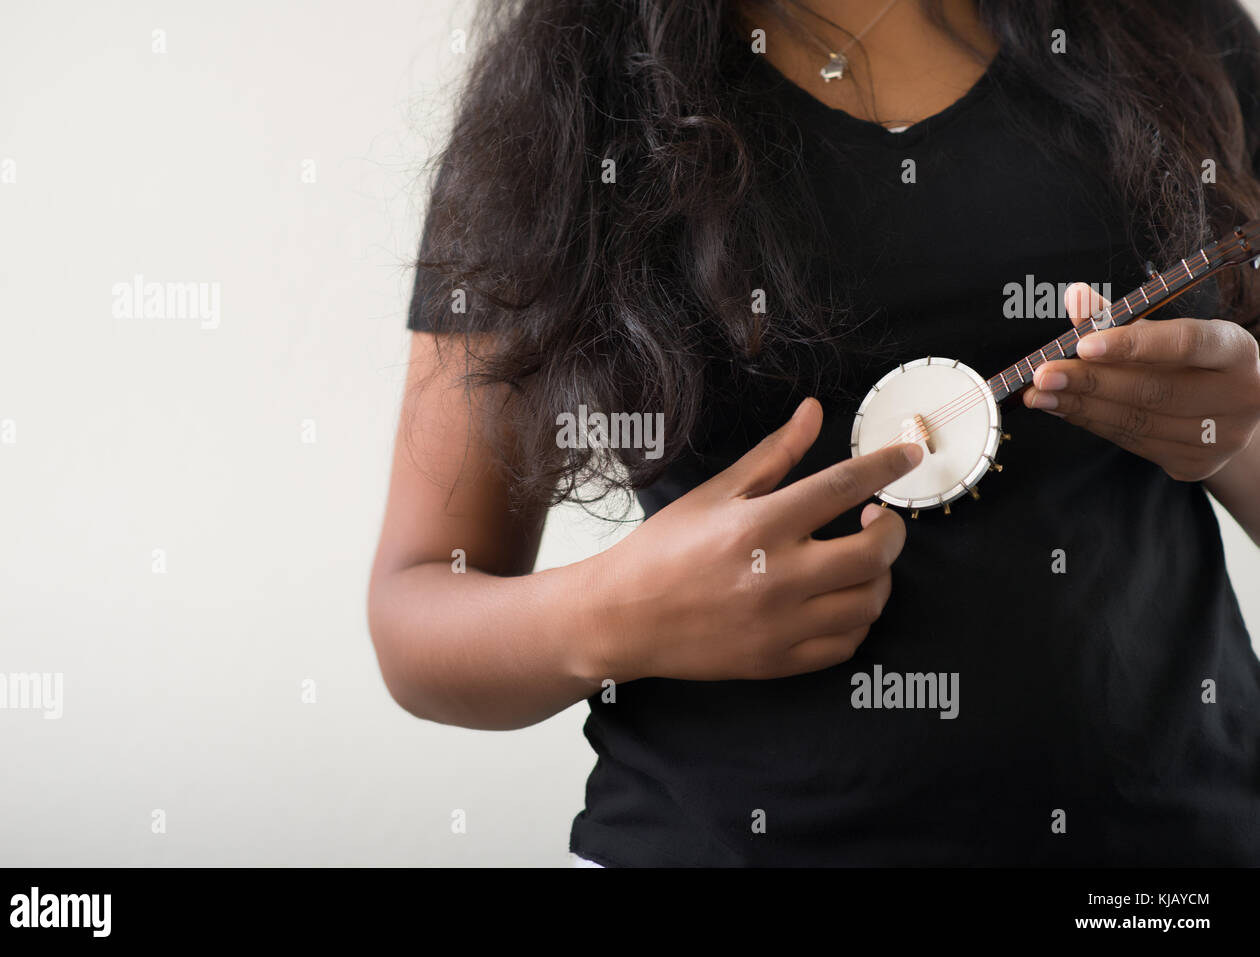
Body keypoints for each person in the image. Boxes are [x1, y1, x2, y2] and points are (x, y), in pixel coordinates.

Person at [368, 0, 1260, 866]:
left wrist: (1231, 434)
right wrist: (610, 615)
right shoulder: (568, 87)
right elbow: (414, 618)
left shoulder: (1177, 28)